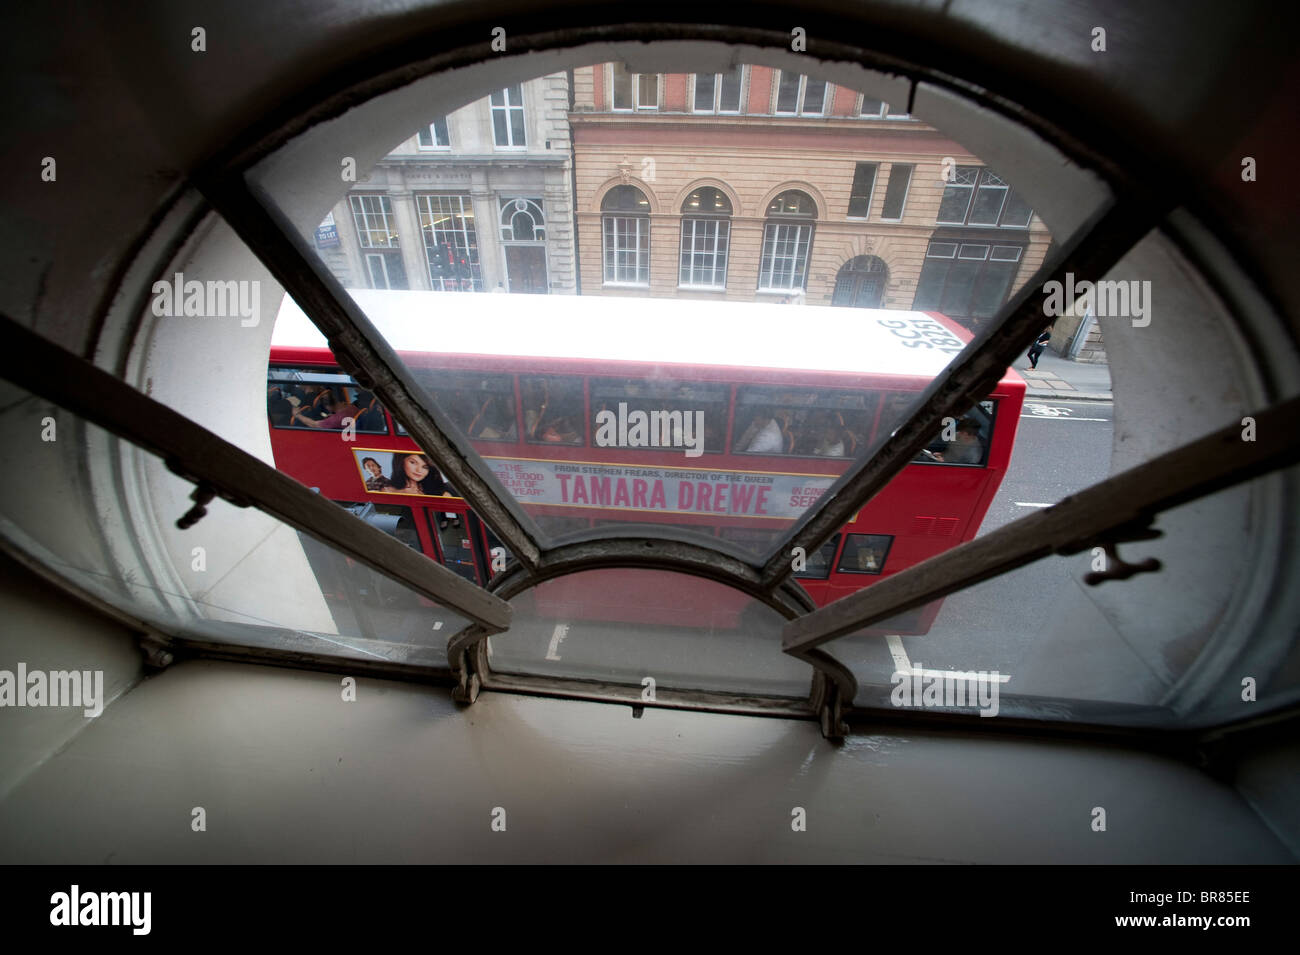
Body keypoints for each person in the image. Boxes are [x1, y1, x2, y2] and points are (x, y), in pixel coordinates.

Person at [290, 389, 360, 430]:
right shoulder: (351, 407)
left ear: (328, 407)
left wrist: (298, 415)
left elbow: (314, 425)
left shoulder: (336, 419)